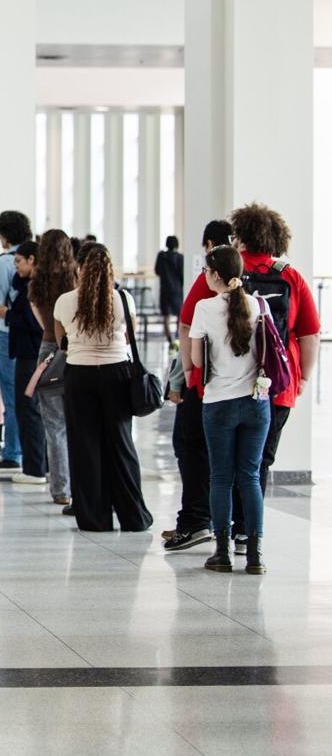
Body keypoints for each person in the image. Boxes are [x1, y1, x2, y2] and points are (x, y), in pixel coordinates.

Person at [178, 205, 319, 550]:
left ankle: (206, 527)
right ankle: (247, 536)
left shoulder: (221, 271)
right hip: (274, 387)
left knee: (212, 462)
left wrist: (189, 373)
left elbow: (186, 324)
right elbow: (310, 333)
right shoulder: (290, 276)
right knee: (257, 465)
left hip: (218, 387)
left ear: (239, 235)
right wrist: (302, 378)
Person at [53, 244, 153, 533]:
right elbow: (129, 335)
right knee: (121, 445)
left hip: (79, 375)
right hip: (117, 375)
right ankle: (134, 516)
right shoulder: (123, 299)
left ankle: (94, 518)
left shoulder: (64, 301)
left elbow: (62, 342)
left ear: (78, 267)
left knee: (85, 447)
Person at [189, 246, 270, 575]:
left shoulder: (204, 308)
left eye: (206, 271)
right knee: (250, 478)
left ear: (216, 275)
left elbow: (197, 361)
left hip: (219, 403)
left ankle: (222, 553)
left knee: (221, 478)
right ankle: (255, 555)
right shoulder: (258, 304)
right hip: (256, 403)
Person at [162, 220, 233, 549]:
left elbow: (187, 331)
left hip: (206, 385)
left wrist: (182, 378)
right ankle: (241, 533)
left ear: (209, 247)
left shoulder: (209, 282)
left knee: (189, 445)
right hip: (250, 390)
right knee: (243, 464)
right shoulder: (266, 282)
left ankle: (195, 521)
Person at [28, 230, 77, 508]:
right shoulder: (75, 279)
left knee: (54, 424)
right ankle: (80, 485)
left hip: (48, 350)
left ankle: (60, 489)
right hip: (76, 350)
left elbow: (40, 319)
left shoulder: (37, 282)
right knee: (77, 422)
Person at [0, 211, 32, 473]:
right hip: (30, 334)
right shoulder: (35, 255)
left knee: (11, 395)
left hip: (6, 332)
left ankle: (12, 451)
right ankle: (28, 449)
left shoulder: (5, 261)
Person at [5, 241, 48, 486]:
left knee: (28, 410)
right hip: (31, 354)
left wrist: (8, 315)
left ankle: (34, 468)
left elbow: (33, 323)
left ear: (32, 259)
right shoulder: (31, 284)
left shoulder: (35, 288)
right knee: (33, 411)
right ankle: (41, 465)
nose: (16, 267)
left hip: (31, 355)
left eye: (19, 261)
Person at [155, 235, 185, 344]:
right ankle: (177, 338)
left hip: (164, 289)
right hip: (177, 290)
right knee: (179, 315)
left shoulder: (161, 256)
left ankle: (170, 340)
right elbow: (182, 275)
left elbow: (157, 271)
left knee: (166, 316)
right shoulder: (180, 257)